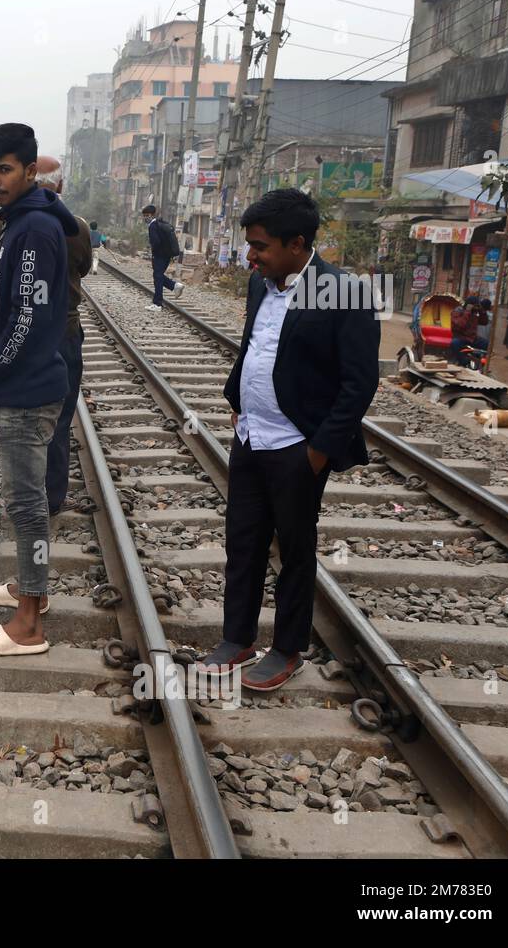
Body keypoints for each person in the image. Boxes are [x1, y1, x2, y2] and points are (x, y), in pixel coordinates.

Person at [199, 188, 379, 691]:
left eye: (260, 246)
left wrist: (319, 449)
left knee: (295, 549)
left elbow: (360, 381)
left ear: (297, 244)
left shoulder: (343, 292)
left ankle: (287, 648)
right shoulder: (262, 285)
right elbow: (256, 345)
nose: (250, 256)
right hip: (252, 438)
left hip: (296, 448)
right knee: (243, 541)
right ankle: (237, 639)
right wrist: (238, 399)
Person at [0, 123, 78, 658]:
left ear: (31, 172)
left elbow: (27, 317)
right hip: (28, 382)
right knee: (25, 504)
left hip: (26, 390)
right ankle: (29, 592)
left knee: (26, 507)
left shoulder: (31, 229)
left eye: (4, 169)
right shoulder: (24, 222)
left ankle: (28, 624)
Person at [0, 154, 91, 518]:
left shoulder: (3, 224)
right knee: (59, 419)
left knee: (17, 416)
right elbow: (84, 267)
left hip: (18, 329)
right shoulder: (76, 227)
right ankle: (52, 499)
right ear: (60, 186)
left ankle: (22, 496)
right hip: (63, 332)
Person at [142, 204, 184, 305]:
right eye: (144, 215)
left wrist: (153, 251)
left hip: (159, 255)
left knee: (157, 277)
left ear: (151, 215)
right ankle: (175, 286)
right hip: (166, 255)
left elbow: (156, 242)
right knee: (158, 276)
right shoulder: (159, 223)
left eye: (146, 215)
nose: (145, 218)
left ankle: (157, 303)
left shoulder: (152, 226)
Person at [449, 296, 489, 365]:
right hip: (460, 337)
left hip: (472, 338)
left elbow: (484, 322)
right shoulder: (458, 311)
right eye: (475, 306)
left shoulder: (475, 313)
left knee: (487, 344)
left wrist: (483, 312)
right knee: (454, 343)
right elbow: (460, 325)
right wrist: (467, 312)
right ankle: (464, 362)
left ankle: (480, 362)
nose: (476, 308)